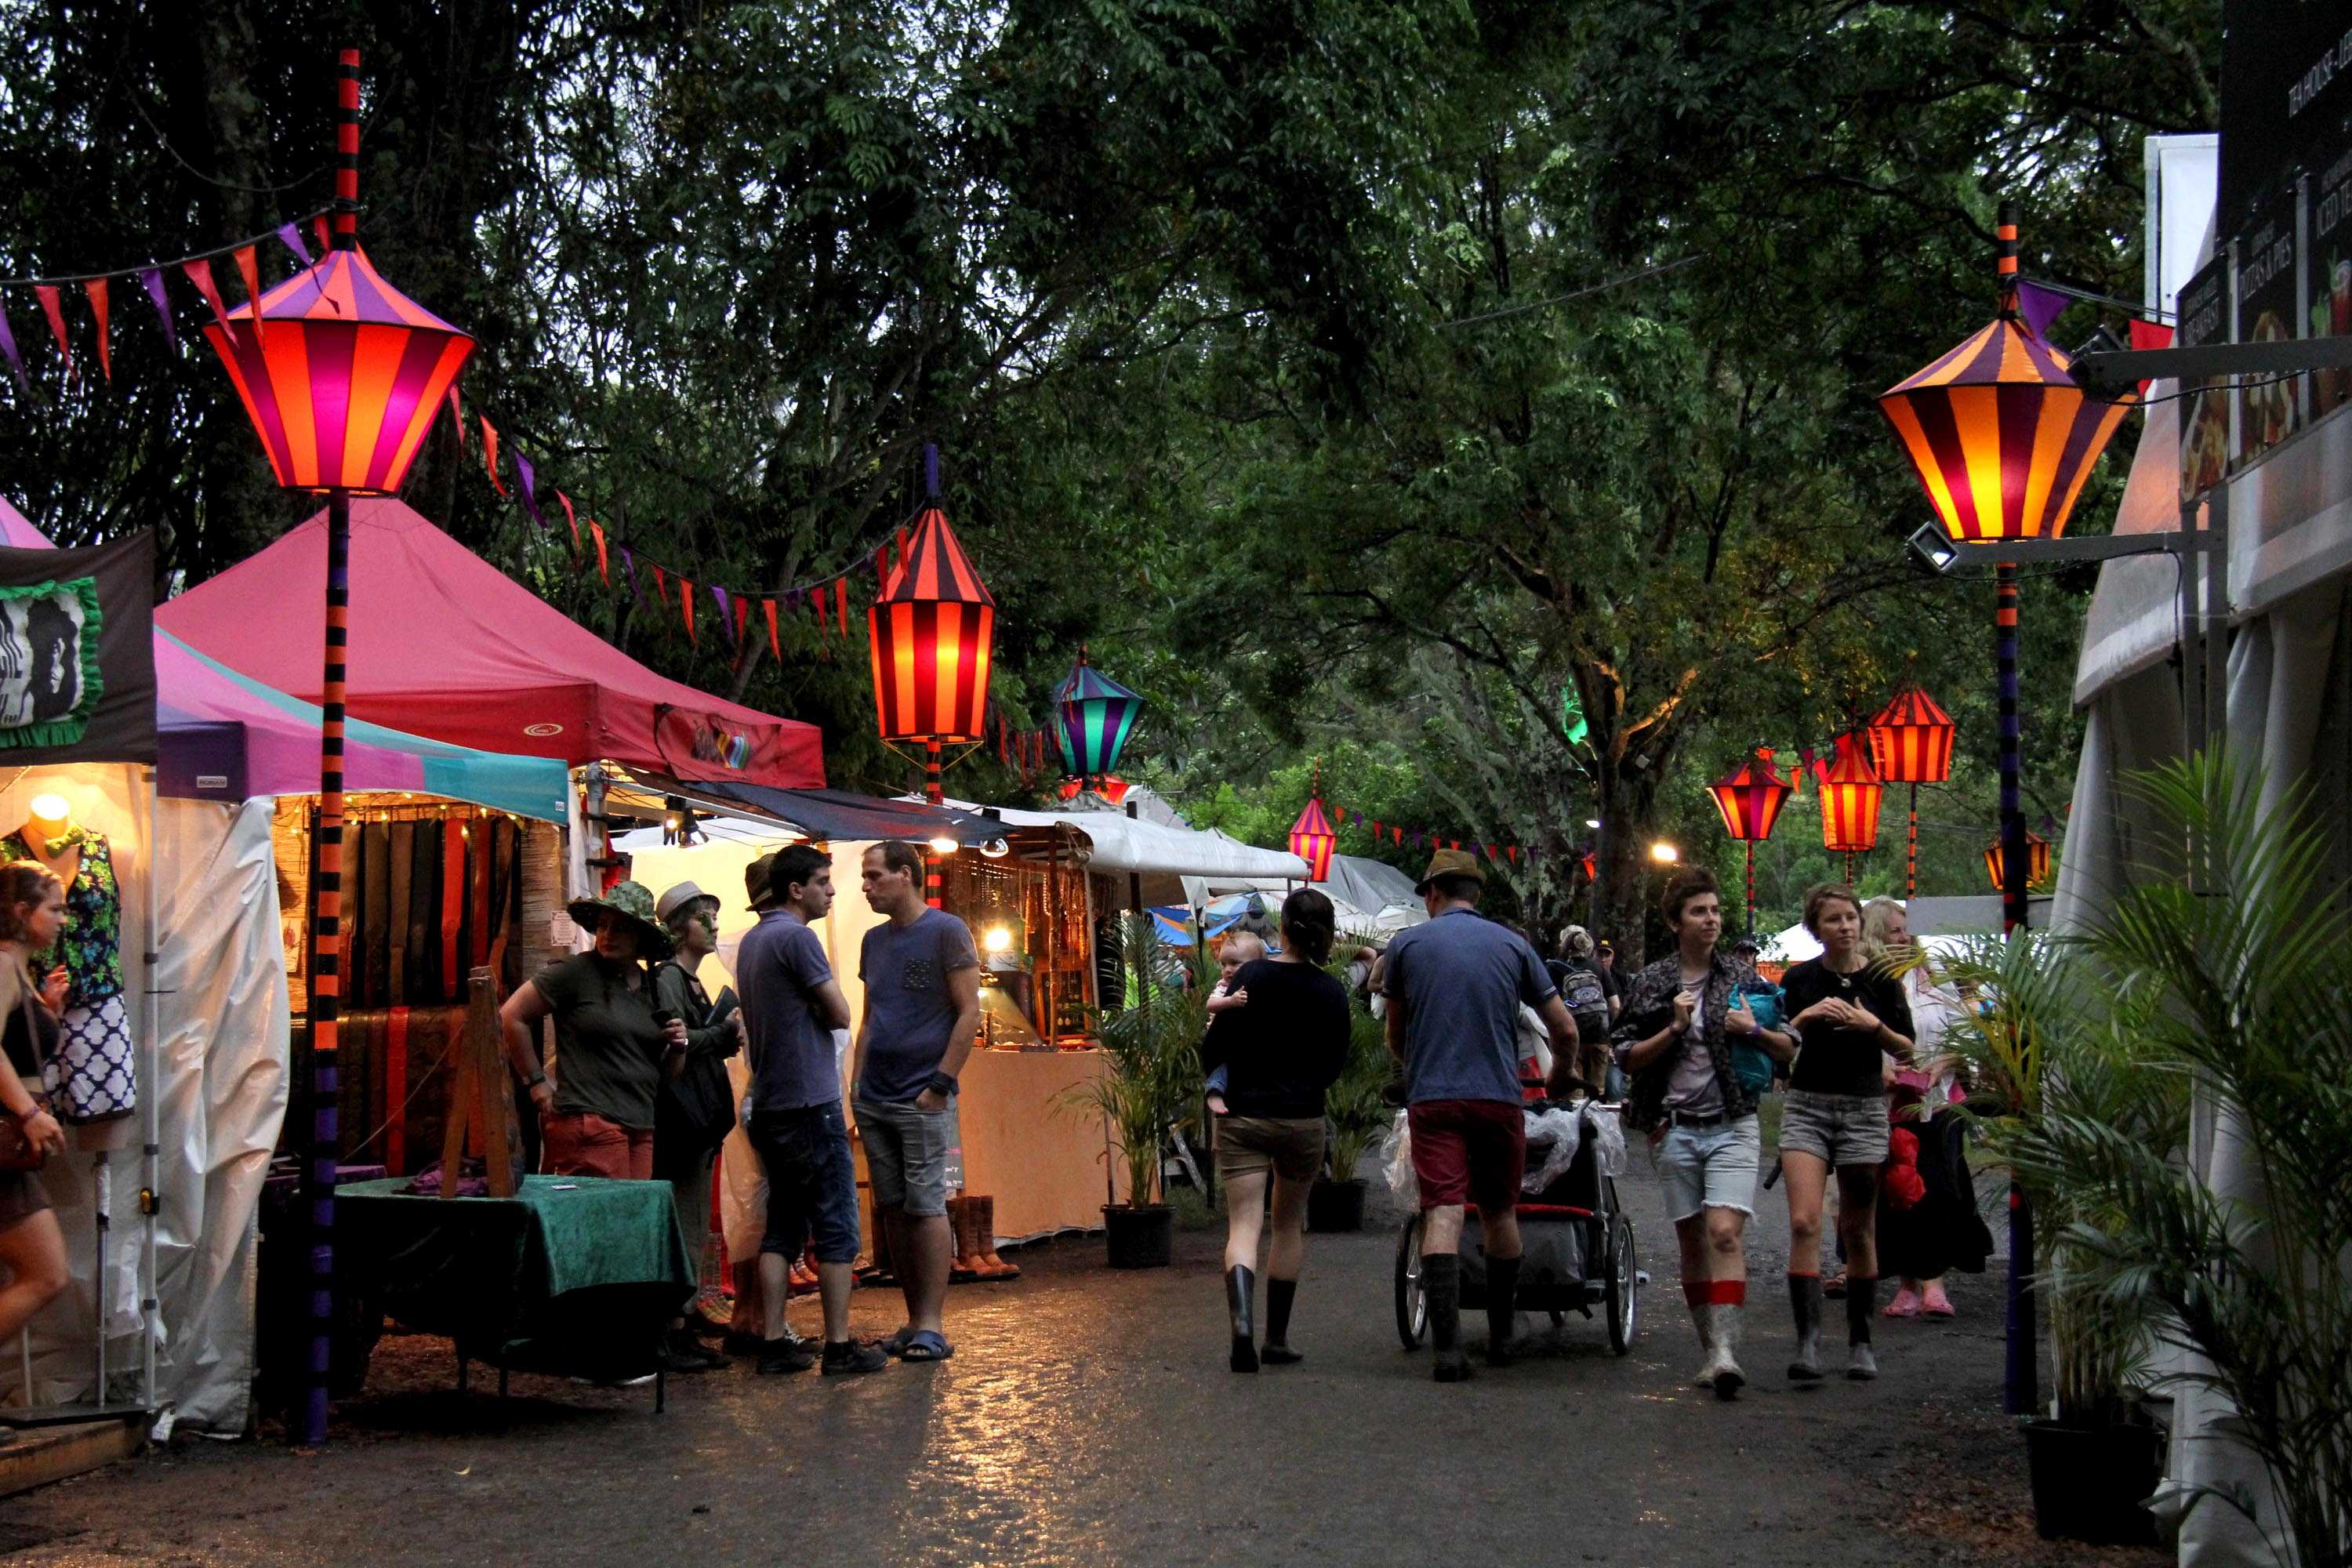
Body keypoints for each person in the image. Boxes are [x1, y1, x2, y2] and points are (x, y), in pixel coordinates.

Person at [1382, 849, 1579, 1382]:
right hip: (1499, 1099)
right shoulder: (1513, 945)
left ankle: (1448, 1349)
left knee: (1444, 1210)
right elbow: (1565, 1029)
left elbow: (1395, 1036)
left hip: (1434, 1101)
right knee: (1499, 1213)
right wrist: (1561, 1079)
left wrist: (1416, 1067)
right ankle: (1500, 1337)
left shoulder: (1406, 946)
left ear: (1433, 893)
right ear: (1475, 894)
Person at [1613, 868, 1795, 1399]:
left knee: (1724, 1233)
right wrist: (1672, 1028)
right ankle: (1708, 1348)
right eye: (1699, 911)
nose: (1711, 919)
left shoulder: (1746, 978)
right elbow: (1625, 1056)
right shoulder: (1651, 982)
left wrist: (1754, 1031)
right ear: (1676, 921)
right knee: (1692, 1239)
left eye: (1715, 910)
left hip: (1734, 1124)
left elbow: (1789, 1048)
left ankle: (1725, 1353)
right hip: (1675, 1129)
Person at [737, 848, 889, 1376]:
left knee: (782, 1225)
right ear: (795, 889)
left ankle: (775, 1340)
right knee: (837, 1225)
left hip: (773, 1101)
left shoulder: (756, 939)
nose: (832, 890)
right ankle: (840, 1346)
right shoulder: (797, 938)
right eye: (823, 882)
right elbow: (841, 1010)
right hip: (809, 1101)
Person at [1200, 891, 1349, 1372]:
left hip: (1243, 1116)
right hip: (1303, 1119)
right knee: (1287, 1225)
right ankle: (1277, 1339)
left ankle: (1241, 1326)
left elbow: (1216, 1044)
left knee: (1244, 1223)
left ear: (1281, 928)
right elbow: (1335, 1062)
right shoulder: (1330, 991)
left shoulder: (1252, 976)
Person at [851, 840, 982, 1364]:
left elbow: (969, 1012)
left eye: (874, 875)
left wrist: (940, 1085)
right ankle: (912, 1321)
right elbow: (870, 1016)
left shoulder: (947, 931)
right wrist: (857, 1086)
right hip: (876, 1097)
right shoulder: (871, 941)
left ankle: (931, 1324)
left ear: (906, 875)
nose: (865, 886)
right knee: (894, 1208)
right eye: (865, 876)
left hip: (921, 1095)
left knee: (926, 1204)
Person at [1777, 884, 1915, 1381]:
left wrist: (1871, 1026)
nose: (1846, 926)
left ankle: (1861, 1341)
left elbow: (1907, 1049)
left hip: (1863, 1109)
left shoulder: (1881, 978)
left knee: (1858, 1226)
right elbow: (1775, 1046)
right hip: (1807, 1107)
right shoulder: (1799, 980)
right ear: (1817, 929)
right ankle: (1808, 1342)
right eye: (1833, 919)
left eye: (1851, 917)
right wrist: (1804, 1017)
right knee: (1804, 1222)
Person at [500, 881, 687, 1179]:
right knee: (605, 1219)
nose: (607, 935)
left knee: (633, 1220)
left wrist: (679, 1045)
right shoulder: (577, 972)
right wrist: (536, 1083)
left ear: (641, 936)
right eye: (602, 926)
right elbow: (511, 1016)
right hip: (589, 1120)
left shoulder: (655, 987)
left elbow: (666, 1074)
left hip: (640, 1126)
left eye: (620, 928)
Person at [649, 881, 742, 1373]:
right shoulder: (668, 978)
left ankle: (682, 1320)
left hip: (700, 1119)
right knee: (683, 1222)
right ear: (679, 926)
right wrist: (721, 1033)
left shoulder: (692, 980)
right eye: (702, 916)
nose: (712, 925)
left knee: (693, 1223)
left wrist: (722, 1036)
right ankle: (673, 1330)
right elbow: (673, 1045)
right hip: (681, 1121)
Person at [1862, 898, 1969, 1319]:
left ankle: (1934, 1283)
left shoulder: (1933, 981)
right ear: (1875, 935)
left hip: (1938, 1102)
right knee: (1897, 1195)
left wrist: (1939, 1066)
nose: (1904, 938)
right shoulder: (1867, 984)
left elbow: (1963, 1034)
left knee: (1940, 1191)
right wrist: (1883, 1071)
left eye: (1907, 930)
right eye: (1894, 931)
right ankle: (1906, 1285)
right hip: (1889, 1105)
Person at [0, 863, 71, 1352]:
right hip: (5, 1142)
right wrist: (29, 1112)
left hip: (10, 1146)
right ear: (23, 912)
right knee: (46, 1274)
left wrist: (44, 1012)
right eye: (55, 908)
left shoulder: (15, 970)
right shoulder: (4, 964)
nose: (63, 919)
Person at [1200, 931, 1265, 1114]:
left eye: (1235, 963)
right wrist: (1231, 1001)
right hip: (1222, 1043)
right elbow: (1210, 1005)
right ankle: (1214, 1093)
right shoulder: (1224, 987)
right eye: (1223, 964)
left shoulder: (1256, 985)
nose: (1227, 969)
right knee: (1223, 1067)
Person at [1548, 926, 1615, 1098]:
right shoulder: (1599, 969)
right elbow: (1615, 1004)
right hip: (1600, 1036)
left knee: (1575, 1089)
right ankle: (1595, 1122)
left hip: (1573, 1038)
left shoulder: (1555, 968)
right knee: (1597, 1090)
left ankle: (1575, 1123)